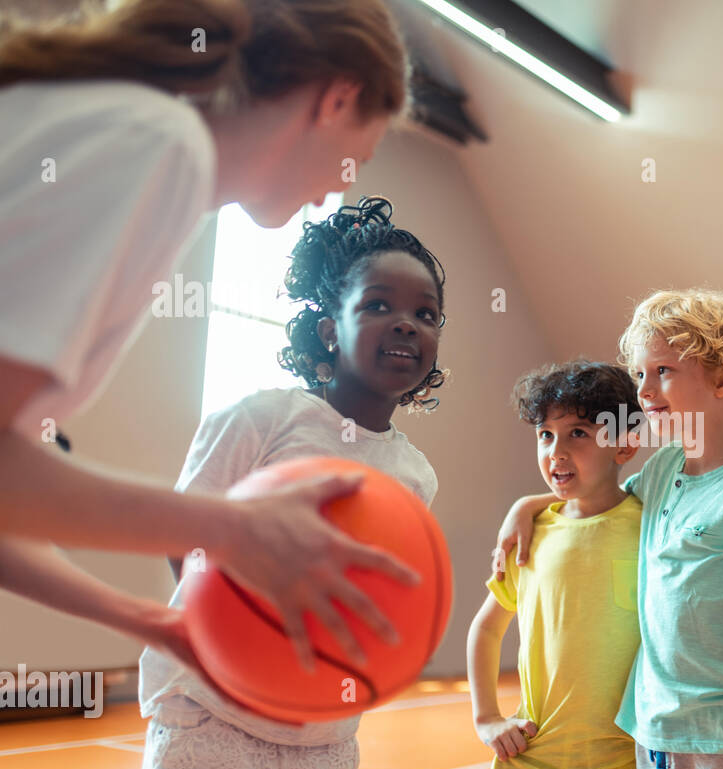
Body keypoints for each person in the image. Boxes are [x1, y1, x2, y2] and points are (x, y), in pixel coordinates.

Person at [0, 0, 418, 663]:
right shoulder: (161, 143)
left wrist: (159, 624)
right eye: (353, 162)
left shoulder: (134, 132)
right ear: (338, 98)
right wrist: (233, 528)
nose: (330, 195)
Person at [131, 196, 446, 769]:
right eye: (379, 305)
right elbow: (181, 533)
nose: (406, 324)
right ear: (330, 329)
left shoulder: (416, 475)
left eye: (426, 314)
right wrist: (245, 644)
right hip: (212, 715)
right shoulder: (264, 418)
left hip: (325, 734)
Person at [495, 290, 723, 769]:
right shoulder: (662, 469)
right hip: (652, 737)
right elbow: (595, 498)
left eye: (663, 371)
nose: (643, 392)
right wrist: (526, 504)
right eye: (640, 373)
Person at [468, 361, 643, 769]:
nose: (556, 452)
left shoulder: (651, 527)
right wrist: (486, 718)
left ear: (625, 445)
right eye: (545, 435)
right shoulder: (529, 532)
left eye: (579, 433)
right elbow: (486, 629)